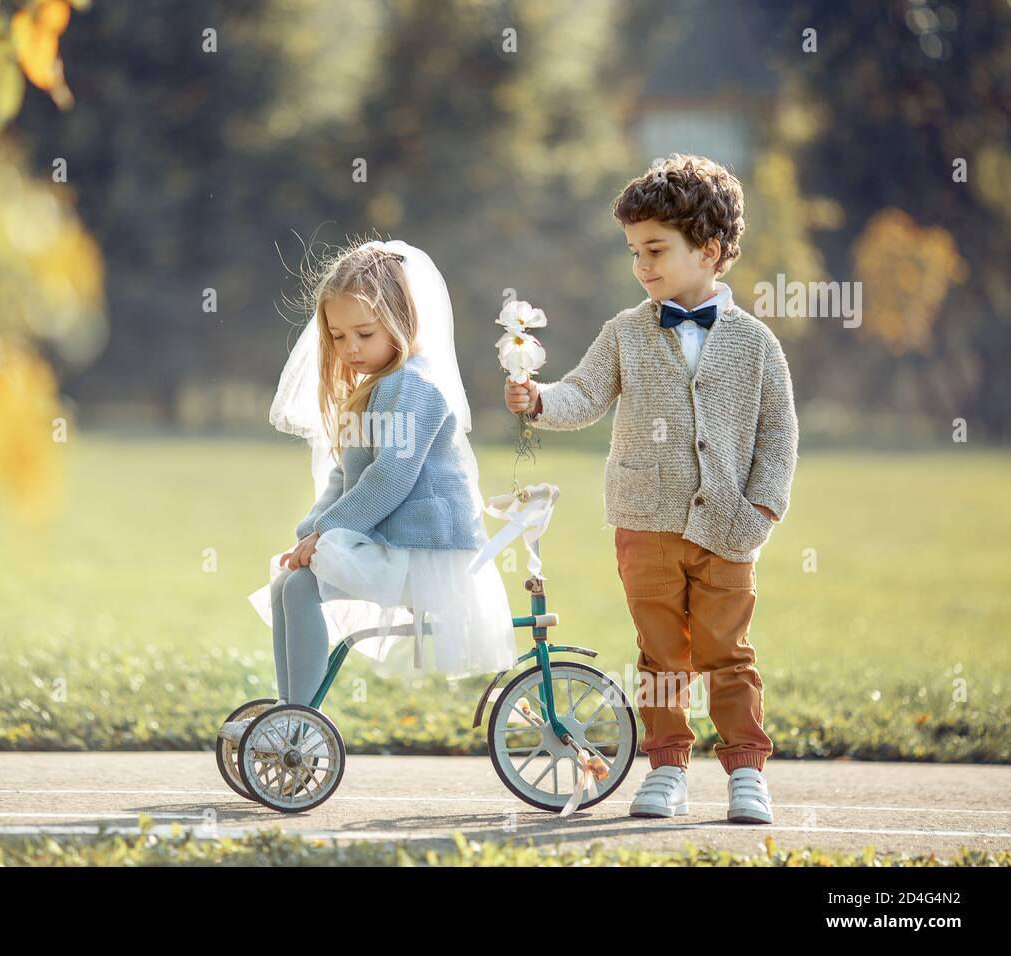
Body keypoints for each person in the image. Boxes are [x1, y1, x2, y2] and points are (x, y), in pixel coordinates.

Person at [504, 154, 799, 825]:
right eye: (634, 251)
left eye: (656, 250)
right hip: (645, 523)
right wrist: (538, 399)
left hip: (730, 526)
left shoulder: (756, 346)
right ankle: (667, 767)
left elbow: (779, 433)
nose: (642, 266)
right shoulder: (625, 333)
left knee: (729, 653)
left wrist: (763, 508)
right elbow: (582, 393)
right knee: (661, 654)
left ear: (711, 249)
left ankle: (745, 772)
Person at [225, 238, 517, 744]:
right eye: (337, 337)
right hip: (392, 541)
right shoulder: (373, 389)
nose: (350, 348)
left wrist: (329, 534)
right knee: (289, 584)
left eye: (364, 333)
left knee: (298, 589)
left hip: (428, 547)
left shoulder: (414, 387)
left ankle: (298, 723)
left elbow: (391, 478)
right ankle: (293, 714)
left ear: (401, 323)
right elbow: (346, 477)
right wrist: (310, 534)